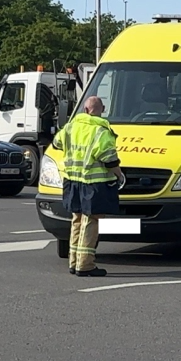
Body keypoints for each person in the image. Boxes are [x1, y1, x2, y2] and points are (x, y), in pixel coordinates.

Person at [53, 96, 125, 277]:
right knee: (91, 221)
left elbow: (56, 143)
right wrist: (119, 174)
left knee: (76, 219)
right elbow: (108, 158)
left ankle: (73, 261)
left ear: (85, 110)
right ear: (102, 109)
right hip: (93, 183)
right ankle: (85, 265)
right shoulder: (101, 130)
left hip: (72, 180)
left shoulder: (70, 127)